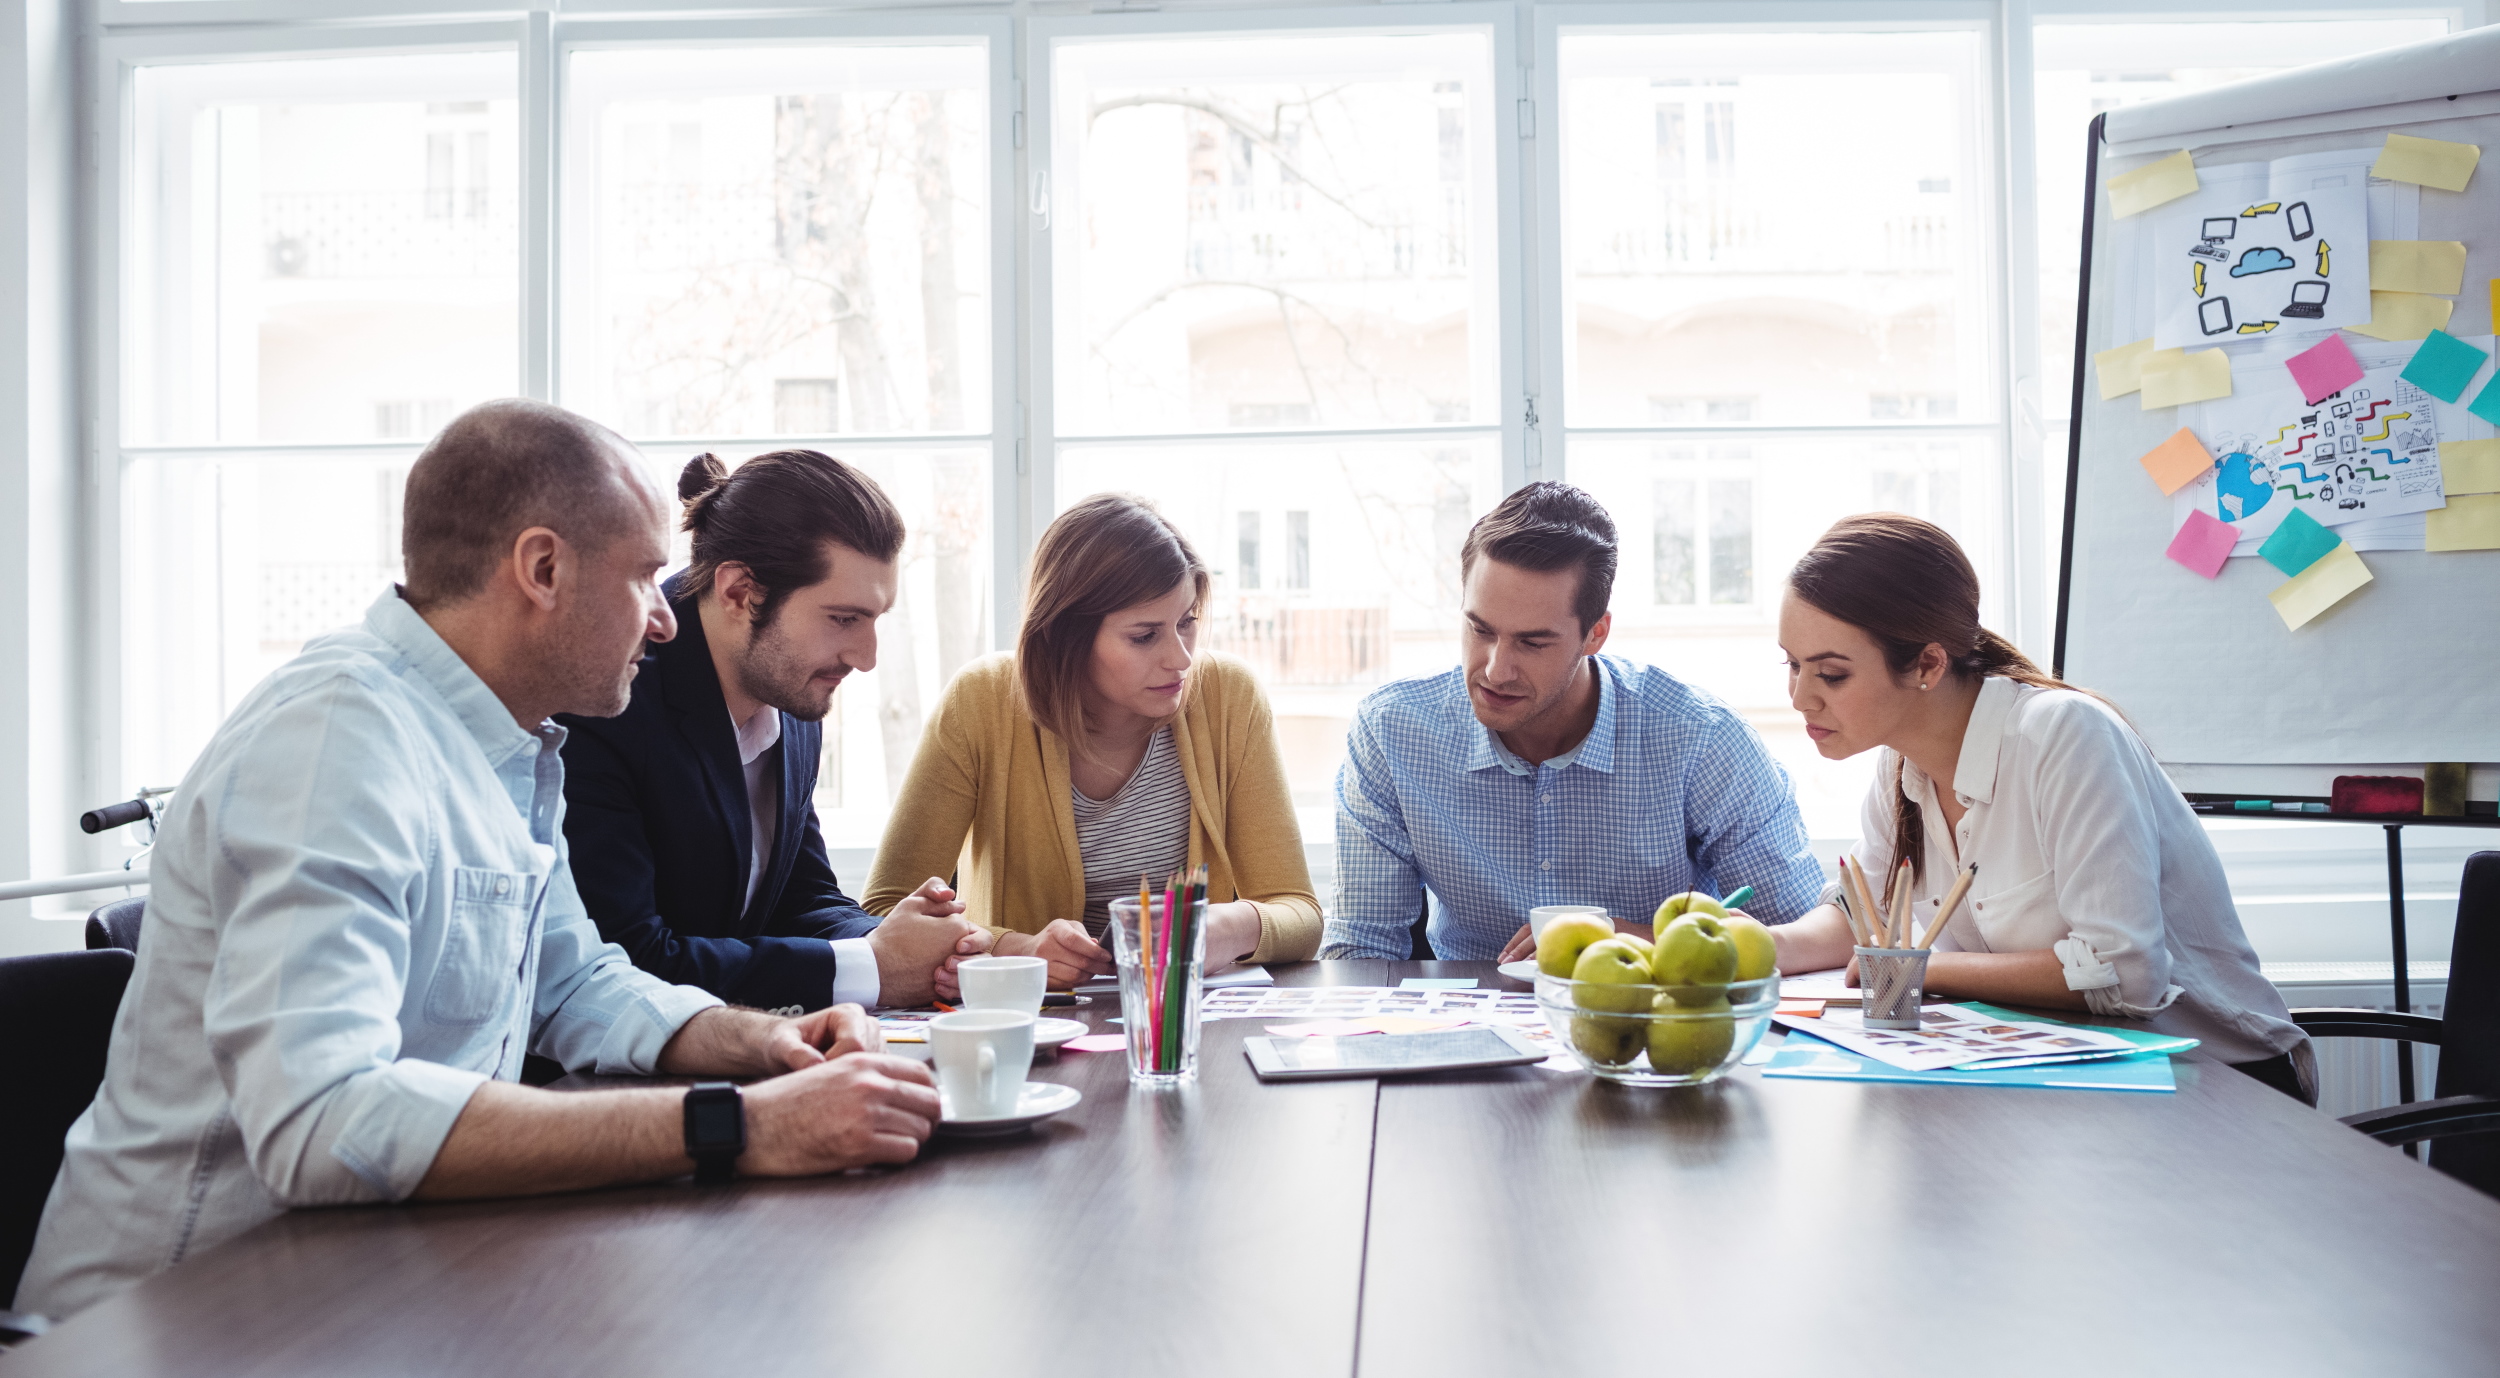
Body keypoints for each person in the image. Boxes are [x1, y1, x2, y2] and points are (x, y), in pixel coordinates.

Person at [16, 401, 941, 1319]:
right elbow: (323, 1122)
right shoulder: (336, 740)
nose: (665, 621)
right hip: (182, 1319)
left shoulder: (509, 745)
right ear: (542, 570)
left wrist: (765, 1044)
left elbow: (575, 982)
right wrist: (737, 1126)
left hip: (378, 1282)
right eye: (643, 578)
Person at [1767, 513, 2313, 1101]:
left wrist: (1917, 970)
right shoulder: (1901, 764)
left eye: (1831, 674)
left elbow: (2124, 974)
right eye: (1792, 665)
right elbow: (1863, 916)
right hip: (2069, 1078)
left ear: (1927, 664)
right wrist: (1761, 947)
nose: (1799, 697)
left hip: (2220, 1082)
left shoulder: (2065, 735)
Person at [558, 450, 986, 1013]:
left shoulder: (790, 689)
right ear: (739, 592)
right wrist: (872, 966)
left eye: (875, 619)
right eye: (844, 619)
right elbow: (625, 959)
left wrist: (904, 943)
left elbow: (800, 899)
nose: (866, 658)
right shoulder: (607, 699)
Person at [1325, 482, 1825, 963]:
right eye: (1480, 629)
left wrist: (1638, 939)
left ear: (1595, 634)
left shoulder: (1702, 739)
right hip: (1467, 1012)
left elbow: (1798, 936)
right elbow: (1361, 950)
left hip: (1649, 1010)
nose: (1495, 670)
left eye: (1532, 642)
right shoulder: (1392, 732)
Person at [865, 494, 1320, 987]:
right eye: (1144, 636)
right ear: (1066, 636)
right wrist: (1016, 949)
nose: (1181, 658)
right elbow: (883, 914)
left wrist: (1228, 927)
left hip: (1179, 1016)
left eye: (1186, 622)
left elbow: (1300, 912)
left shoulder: (1229, 696)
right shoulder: (980, 702)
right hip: (1034, 1020)